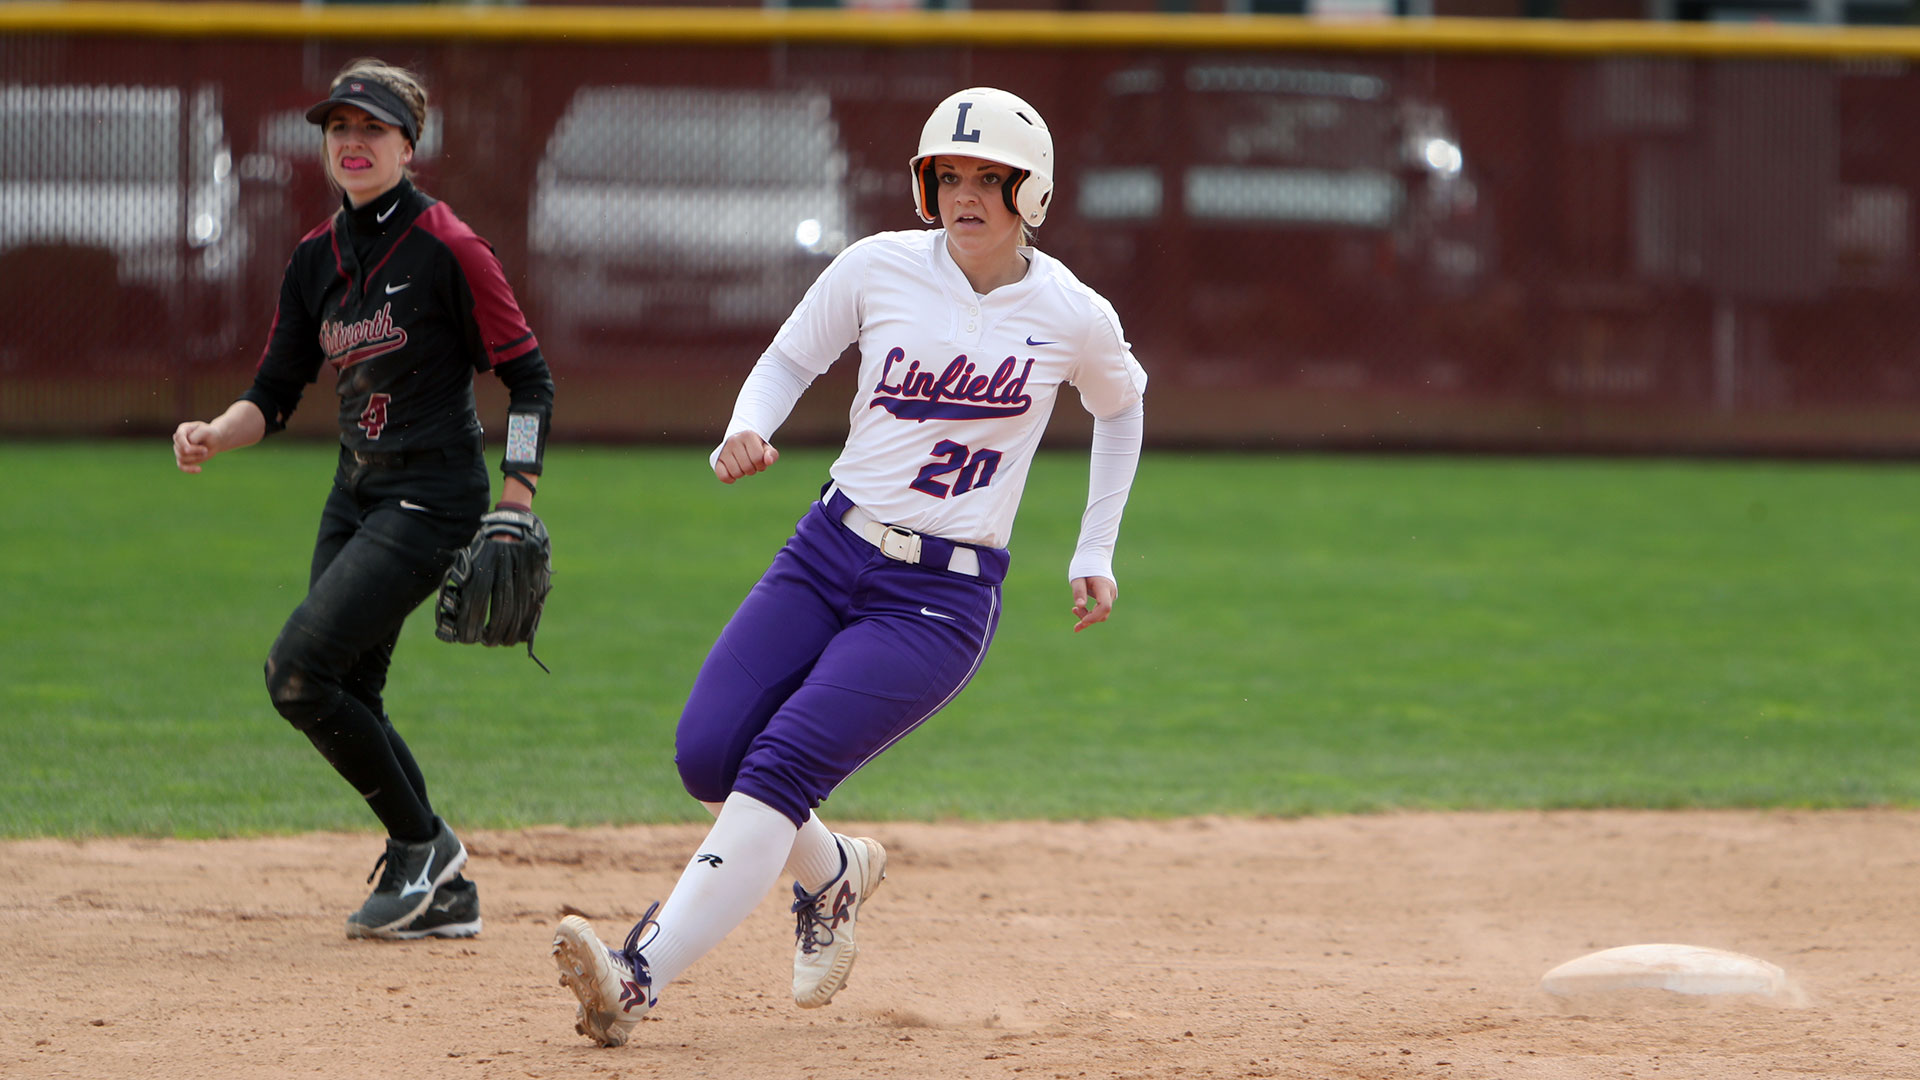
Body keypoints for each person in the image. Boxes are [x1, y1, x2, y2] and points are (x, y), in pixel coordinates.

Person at [550, 86, 1146, 1046]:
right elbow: (789, 359)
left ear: (1031, 193)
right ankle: (831, 874)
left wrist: (1095, 545)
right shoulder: (879, 267)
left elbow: (1121, 407)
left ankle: (637, 972)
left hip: (938, 600)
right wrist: (749, 425)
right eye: (948, 174)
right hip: (828, 547)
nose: (965, 193)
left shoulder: (1071, 313)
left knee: (778, 767)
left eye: (990, 178)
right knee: (707, 754)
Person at [171, 58, 555, 941]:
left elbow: (529, 381)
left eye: (372, 129)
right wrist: (216, 432)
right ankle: (444, 889)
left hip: (434, 494)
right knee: (347, 686)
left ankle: (424, 845)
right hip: (355, 494)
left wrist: (519, 497)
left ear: (408, 146)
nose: (352, 142)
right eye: (339, 127)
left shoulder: (450, 248)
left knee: (297, 674)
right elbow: (274, 390)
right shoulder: (317, 258)